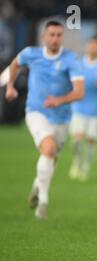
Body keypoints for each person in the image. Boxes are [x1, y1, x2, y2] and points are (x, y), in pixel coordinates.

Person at [5, 20, 84, 219]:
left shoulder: (71, 59)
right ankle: (43, 201)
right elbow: (15, 64)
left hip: (62, 117)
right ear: (44, 36)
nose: (55, 38)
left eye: (59, 35)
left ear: (62, 37)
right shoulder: (31, 54)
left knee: (51, 158)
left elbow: (79, 92)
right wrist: (10, 86)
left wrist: (59, 100)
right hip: (36, 112)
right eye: (51, 35)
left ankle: (36, 186)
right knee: (48, 148)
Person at [69, 37, 97, 181]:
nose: (93, 48)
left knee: (90, 140)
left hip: (96, 109)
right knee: (76, 138)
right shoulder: (78, 64)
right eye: (91, 45)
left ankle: (86, 167)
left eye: (96, 46)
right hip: (78, 107)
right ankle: (76, 162)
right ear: (86, 47)